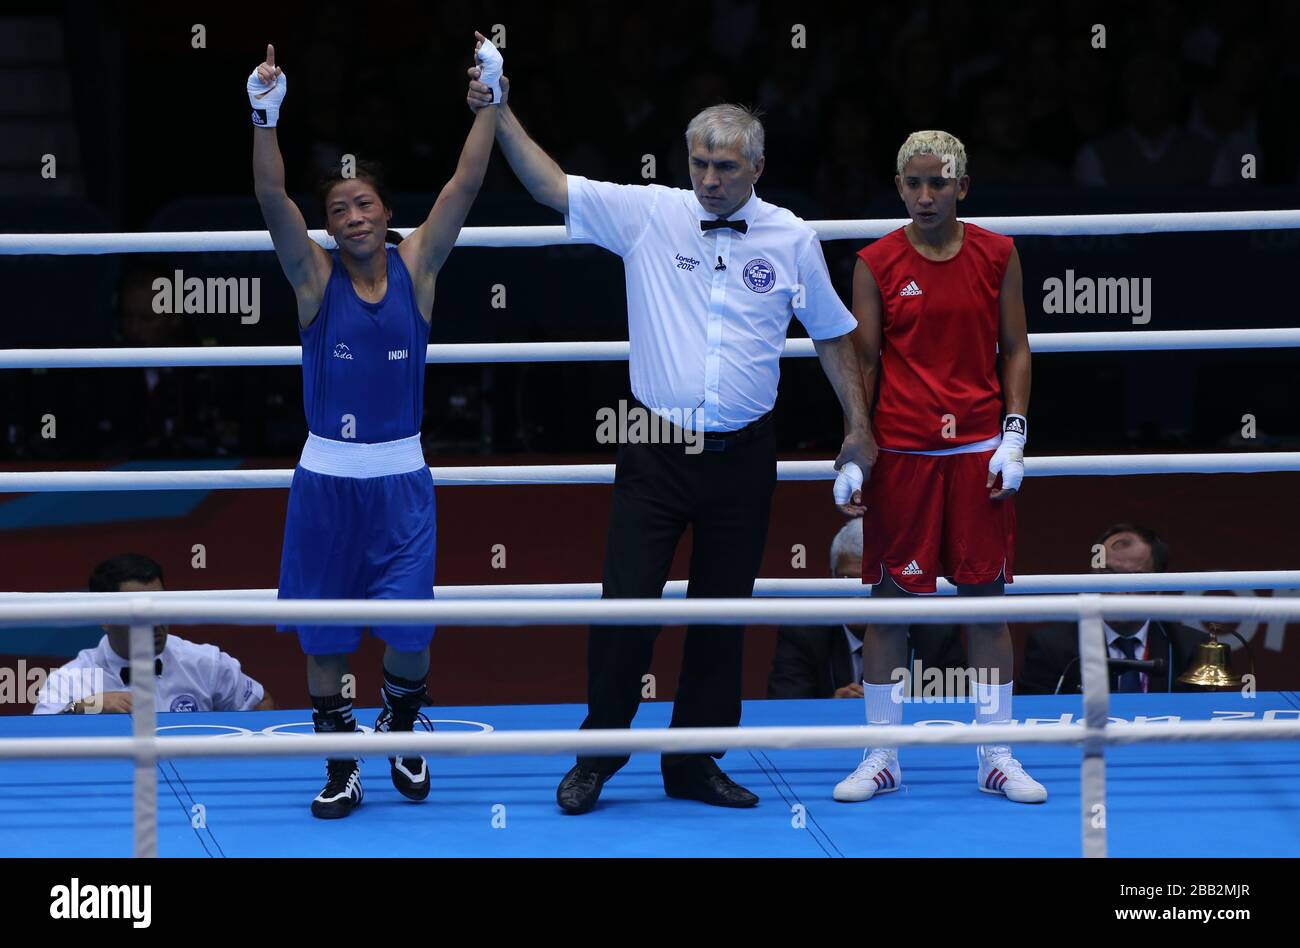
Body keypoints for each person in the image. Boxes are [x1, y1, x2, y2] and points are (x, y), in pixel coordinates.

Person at [467, 41, 870, 814]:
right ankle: (598, 756)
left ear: (756, 166)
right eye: (698, 164)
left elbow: (828, 331)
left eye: (724, 167)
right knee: (626, 608)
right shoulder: (648, 212)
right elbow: (549, 185)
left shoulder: (792, 236)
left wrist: (859, 426)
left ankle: (693, 763)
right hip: (657, 446)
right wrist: (500, 103)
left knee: (720, 615)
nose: (710, 180)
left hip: (746, 452)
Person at [249, 37, 501, 819]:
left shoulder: (419, 266)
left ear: (387, 213)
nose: (353, 217)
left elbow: (465, 182)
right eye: (338, 210)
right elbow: (270, 202)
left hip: (400, 481)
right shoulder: (312, 277)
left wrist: (490, 99)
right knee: (323, 639)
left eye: (364, 205)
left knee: (410, 633)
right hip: (325, 480)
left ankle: (398, 722)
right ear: (327, 227)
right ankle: (339, 761)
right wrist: (265, 116)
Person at [834, 130, 1046, 804]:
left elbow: (1015, 346)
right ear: (898, 188)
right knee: (890, 609)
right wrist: (856, 445)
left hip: (978, 451)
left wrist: (1014, 435)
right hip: (903, 453)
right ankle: (881, 754)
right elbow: (862, 363)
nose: (926, 195)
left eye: (939, 183)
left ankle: (996, 754)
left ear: (962, 186)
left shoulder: (997, 253)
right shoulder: (875, 262)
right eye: (914, 184)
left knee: (986, 607)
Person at [34, 554, 273, 715]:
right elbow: (39, 743)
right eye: (140, 611)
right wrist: (84, 706)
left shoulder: (205, 662)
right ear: (105, 618)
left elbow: (261, 704)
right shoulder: (69, 680)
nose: (157, 622)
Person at [768, 519, 967, 699]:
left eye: (871, 584)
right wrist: (832, 710)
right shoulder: (803, 631)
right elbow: (783, 708)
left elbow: (958, 710)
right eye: (848, 580)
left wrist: (895, 709)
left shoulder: (936, 632)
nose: (859, 595)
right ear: (832, 579)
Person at [1020, 524, 1210, 694]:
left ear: (1159, 586)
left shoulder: (1190, 648)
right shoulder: (1050, 647)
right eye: (1108, 574)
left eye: (1135, 578)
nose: (1119, 590)